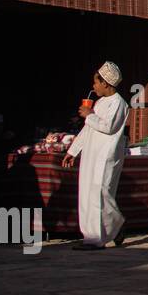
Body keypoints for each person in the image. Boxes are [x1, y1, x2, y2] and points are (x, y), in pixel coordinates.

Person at [62, 62, 129, 250]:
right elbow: (88, 129)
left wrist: (89, 114)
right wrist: (72, 151)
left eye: (96, 83)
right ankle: (91, 236)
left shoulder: (119, 104)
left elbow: (108, 127)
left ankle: (112, 227)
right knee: (87, 194)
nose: (94, 86)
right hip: (91, 154)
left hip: (105, 156)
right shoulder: (100, 103)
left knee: (101, 194)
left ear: (106, 83)